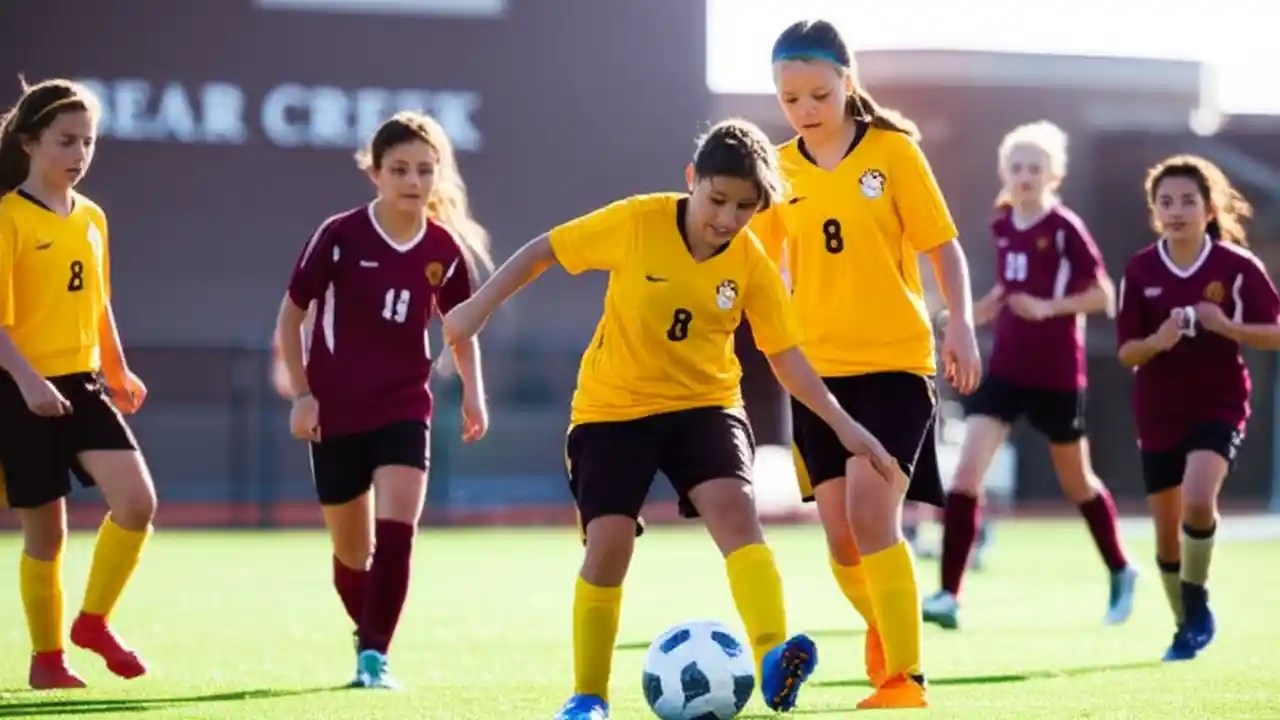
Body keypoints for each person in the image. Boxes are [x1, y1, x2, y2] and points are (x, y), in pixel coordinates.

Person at [443, 118, 905, 720]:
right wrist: (476, 309)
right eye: (717, 200)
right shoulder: (637, 221)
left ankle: (772, 657)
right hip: (613, 408)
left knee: (738, 516)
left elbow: (786, 358)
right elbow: (543, 253)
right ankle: (588, 696)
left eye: (745, 207)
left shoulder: (752, 262)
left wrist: (844, 424)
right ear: (692, 180)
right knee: (608, 544)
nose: (727, 218)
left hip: (704, 406)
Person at [755, 19, 983, 710]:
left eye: (819, 94)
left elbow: (944, 247)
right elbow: (755, 265)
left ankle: (904, 681)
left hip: (893, 364)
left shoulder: (894, 153)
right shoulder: (778, 167)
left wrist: (962, 323)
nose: (805, 110)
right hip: (816, 375)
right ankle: (885, 628)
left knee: (870, 511)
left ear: (848, 83)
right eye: (791, 99)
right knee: (840, 539)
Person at [275, 110, 491, 689]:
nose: (413, 181)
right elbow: (290, 317)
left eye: (424, 169)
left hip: (404, 406)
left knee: (398, 533)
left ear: (438, 175)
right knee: (352, 557)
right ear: (374, 172)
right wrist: (302, 395)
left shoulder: (443, 248)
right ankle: (368, 629)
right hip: (336, 409)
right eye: (399, 169)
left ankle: (373, 658)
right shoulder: (339, 234)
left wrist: (474, 394)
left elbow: (460, 327)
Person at [922, 120, 1137, 630]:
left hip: (1059, 374)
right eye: (1017, 167)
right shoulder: (1001, 223)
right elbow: (1005, 290)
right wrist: (970, 316)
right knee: (966, 475)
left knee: (1076, 481)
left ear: (1053, 176)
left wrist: (1047, 308)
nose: (1024, 176)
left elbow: (1104, 296)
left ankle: (1122, 569)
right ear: (1005, 172)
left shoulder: (1064, 228)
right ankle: (949, 595)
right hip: (1006, 372)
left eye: (1035, 168)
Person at [0, 78, 157, 689]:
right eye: (67, 140)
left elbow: (97, 303)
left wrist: (117, 369)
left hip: (83, 384)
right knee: (47, 533)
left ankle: (93, 622)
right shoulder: (9, 217)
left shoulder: (92, 217)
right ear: (32, 140)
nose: (79, 153)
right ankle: (47, 661)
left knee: (137, 502)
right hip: (20, 389)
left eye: (88, 142)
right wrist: (28, 381)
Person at [1116, 154, 1280, 661]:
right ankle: (1185, 624)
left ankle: (1198, 603)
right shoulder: (1141, 269)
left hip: (1219, 403)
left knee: (1197, 497)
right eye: (1166, 201)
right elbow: (1126, 352)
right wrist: (1159, 340)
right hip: (1158, 411)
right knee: (1167, 541)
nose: (1177, 210)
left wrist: (1228, 326)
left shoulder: (1236, 266)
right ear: (1154, 211)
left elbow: (1274, 333)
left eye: (1188, 200)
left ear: (1209, 209)